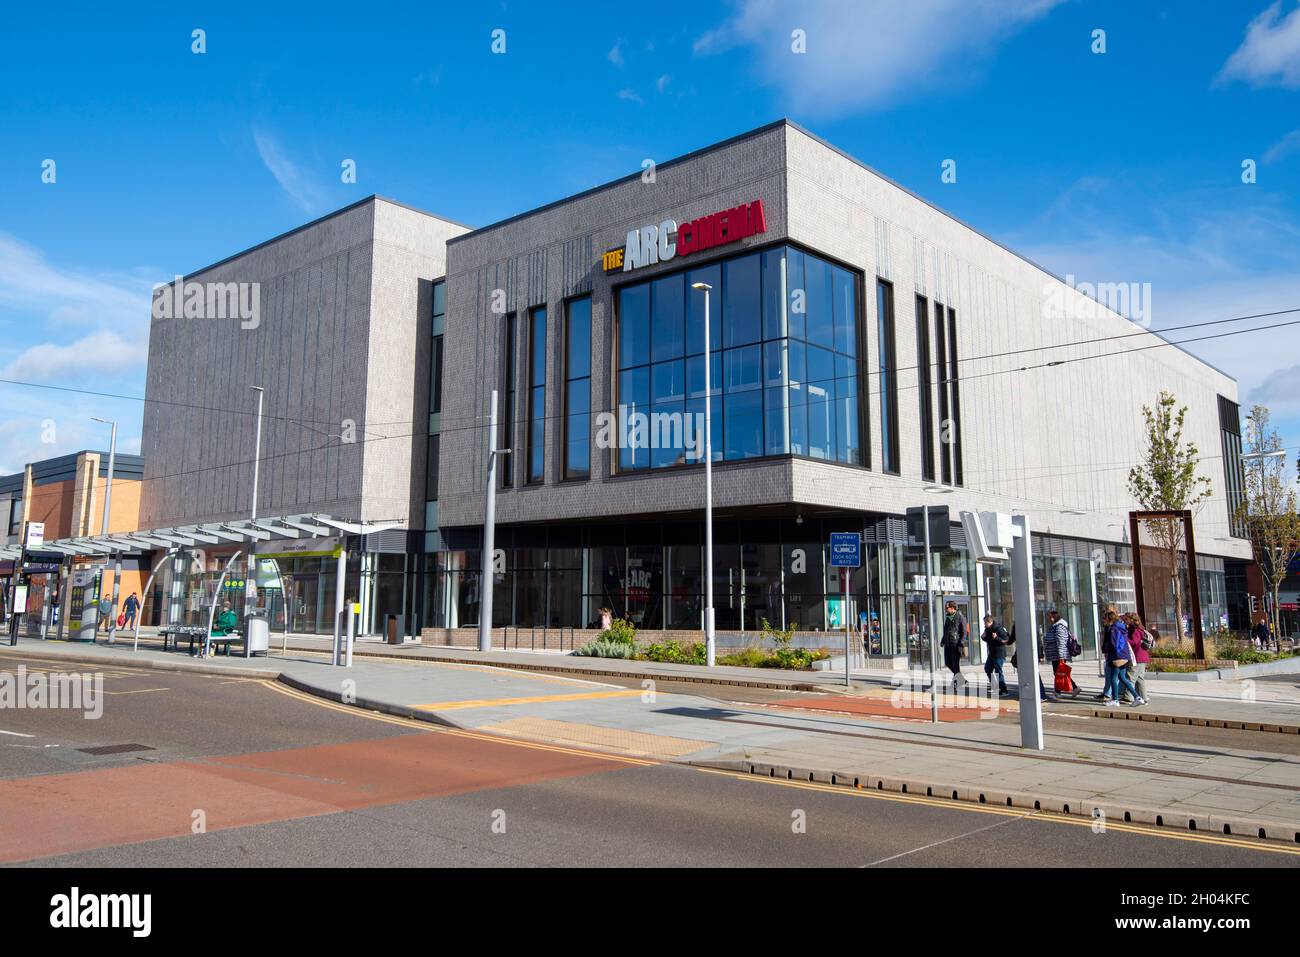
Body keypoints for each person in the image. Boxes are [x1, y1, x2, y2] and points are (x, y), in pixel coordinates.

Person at [1101, 610, 1144, 707]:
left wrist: (1110, 653)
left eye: (1105, 618)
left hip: (1117, 655)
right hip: (1124, 655)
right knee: (1122, 678)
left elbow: (1114, 643)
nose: (1104, 620)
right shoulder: (1121, 626)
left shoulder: (1113, 628)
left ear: (1109, 619)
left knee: (1113, 677)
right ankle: (1138, 697)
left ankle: (1115, 700)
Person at [980, 615, 1012, 696]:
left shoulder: (998, 628)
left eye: (985, 623)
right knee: (987, 668)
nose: (984, 624)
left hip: (999, 653)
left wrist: (996, 638)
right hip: (992, 653)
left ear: (990, 622)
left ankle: (1004, 690)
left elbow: (1006, 639)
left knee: (998, 671)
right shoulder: (987, 629)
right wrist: (983, 638)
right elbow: (989, 640)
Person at [1045, 610, 1075, 695]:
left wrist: (1061, 656)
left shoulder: (1059, 627)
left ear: (1054, 617)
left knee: (1059, 673)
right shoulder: (1055, 626)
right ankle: (1074, 688)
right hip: (1056, 654)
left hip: (1058, 655)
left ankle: (1058, 692)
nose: (1049, 619)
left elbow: (1061, 641)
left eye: (1050, 617)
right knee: (1058, 673)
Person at [940, 601, 968, 685]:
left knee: (955, 664)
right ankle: (961, 679)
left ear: (952, 608)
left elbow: (964, 632)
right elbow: (946, 631)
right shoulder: (948, 617)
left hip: (956, 644)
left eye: (947, 608)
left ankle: (956, 682)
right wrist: (943, 640)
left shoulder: (960, 617)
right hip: (948, 644)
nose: (945, 609)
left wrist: (961, 643)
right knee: (948, 663)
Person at [1126, 613, 1151, 704]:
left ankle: (1128, 697)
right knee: (1140, 678)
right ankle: (1144, 697)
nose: (1126, 621)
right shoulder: (1141, 629)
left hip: (1137, 656)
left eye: (1127, 619)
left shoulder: (1135, 630)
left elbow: (1135, 642)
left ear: (1131, 620)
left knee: (1131, 678)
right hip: (1143, 656)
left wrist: (1125, 639)